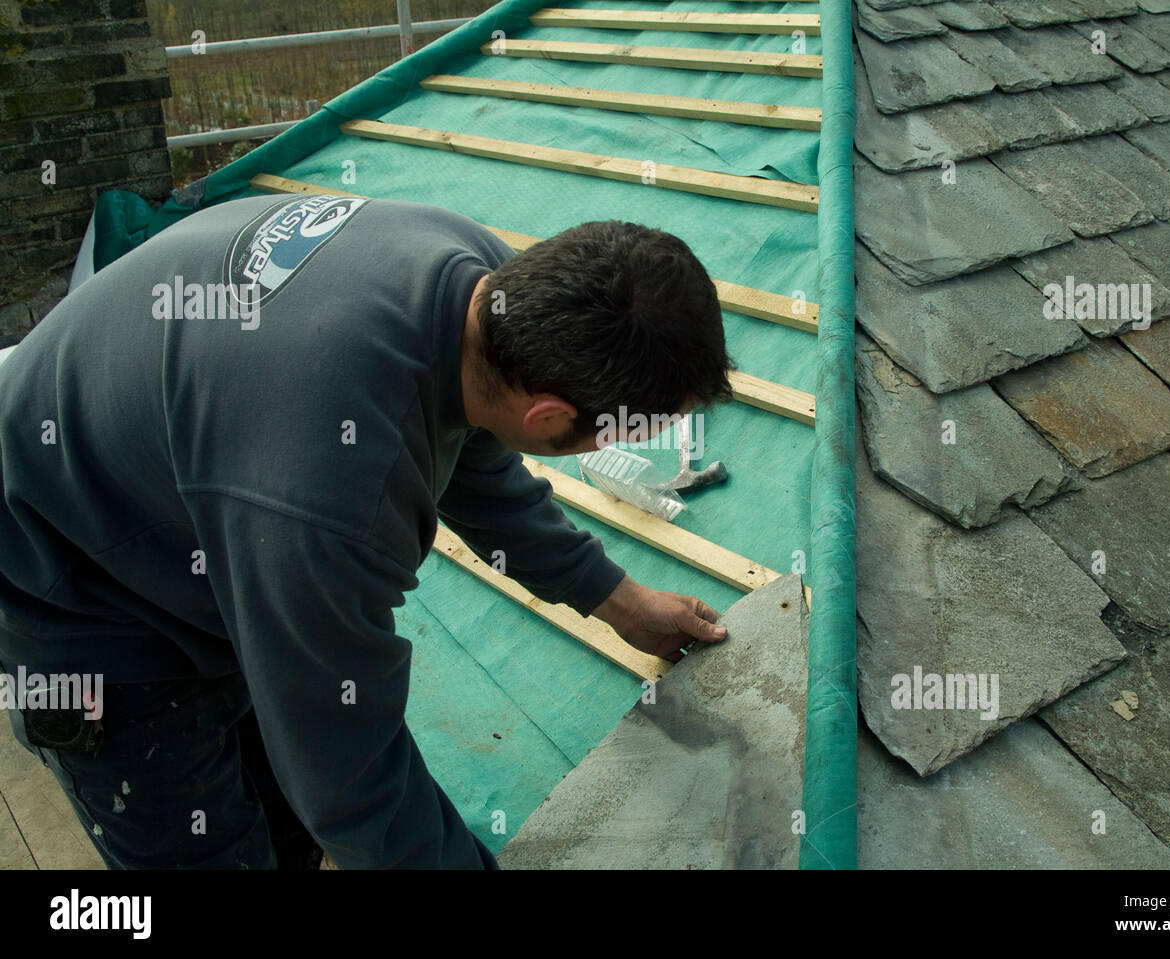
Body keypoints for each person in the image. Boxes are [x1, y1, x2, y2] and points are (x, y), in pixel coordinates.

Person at [0, 193, 736, 869]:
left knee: (284, 821)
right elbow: (349, 776)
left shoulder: (481, 284)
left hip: (184, 497)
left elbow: (480, 463)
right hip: (67, 587)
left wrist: (621, 600)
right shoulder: (325, 491)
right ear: (546, 417)